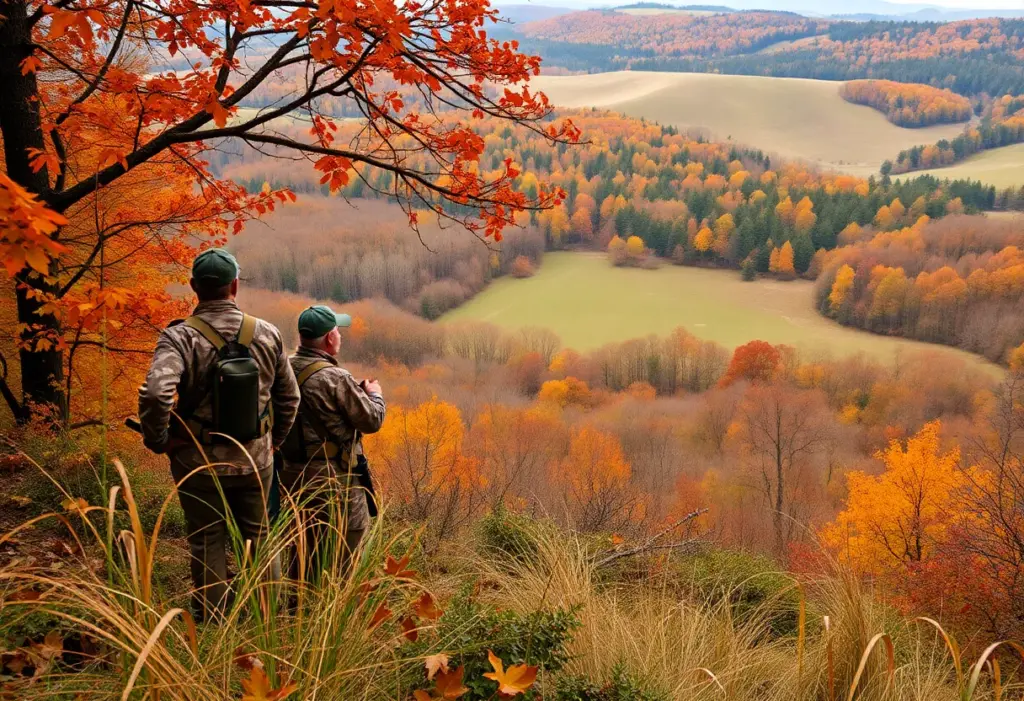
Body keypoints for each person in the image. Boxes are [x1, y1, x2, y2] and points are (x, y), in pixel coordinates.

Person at [138, 249, 300, 621]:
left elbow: (155, 393)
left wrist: (158, 439)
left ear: (195, 287)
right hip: (254, 460)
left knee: (207, 538)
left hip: (198, 463)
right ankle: (267, 621)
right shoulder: (268, 333)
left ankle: (213, 622)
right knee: (259, 537)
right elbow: (290, 396)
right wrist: (273, 442)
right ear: (235, 286)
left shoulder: (179, 338)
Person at [279, 305, 386, 583]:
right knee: (346, 553)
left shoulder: (282, 370)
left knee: (302, 548)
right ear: (329, 338)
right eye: (337, 330)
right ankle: (336, 614)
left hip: (291, 477)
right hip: (334, 480)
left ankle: (296, 613)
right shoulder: (335, 378)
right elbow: (372, 421)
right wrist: (374, 395)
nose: (340, 335)